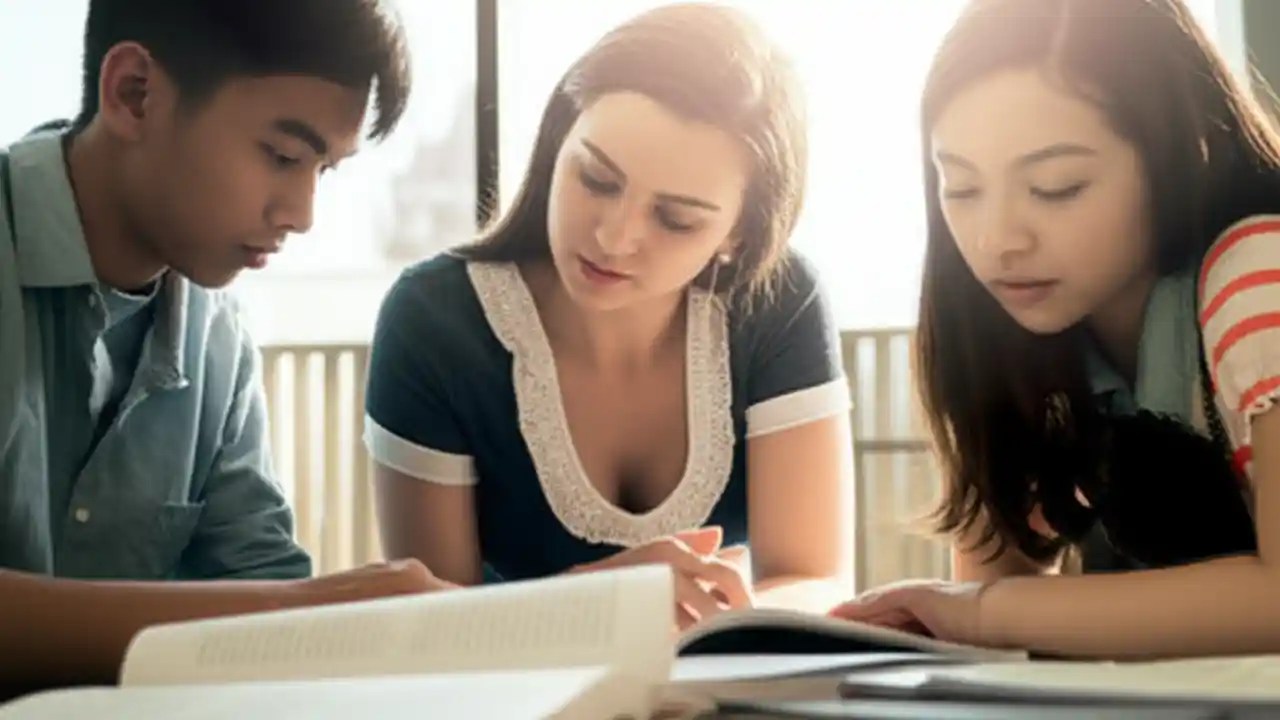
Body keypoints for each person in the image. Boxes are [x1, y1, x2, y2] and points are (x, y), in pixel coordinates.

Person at [0, 0, 452, 697]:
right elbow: (273, 612)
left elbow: (257, 577)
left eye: (323, 169)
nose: (301, 214)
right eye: (282, 156)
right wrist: (308, 614)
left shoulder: (219, 338)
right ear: (134, 93)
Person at [365, 2, 855, 628]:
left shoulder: (779, 302)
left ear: (737, 235)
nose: (615, 237)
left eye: (675, 219)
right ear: (559, 139)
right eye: (595, 179)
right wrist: (588, 602)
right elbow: (427, 630)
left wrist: (722, 616)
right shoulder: (433, 322)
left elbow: (816, 581)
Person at [829, 0, 1280, 659]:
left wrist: (982, 612)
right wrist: (970, 615)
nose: (996, 240)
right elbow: (992, 641)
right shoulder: (1022, 324)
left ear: (1180, 153)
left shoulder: (1259, 272)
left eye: (1056, 186)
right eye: (960, 187)